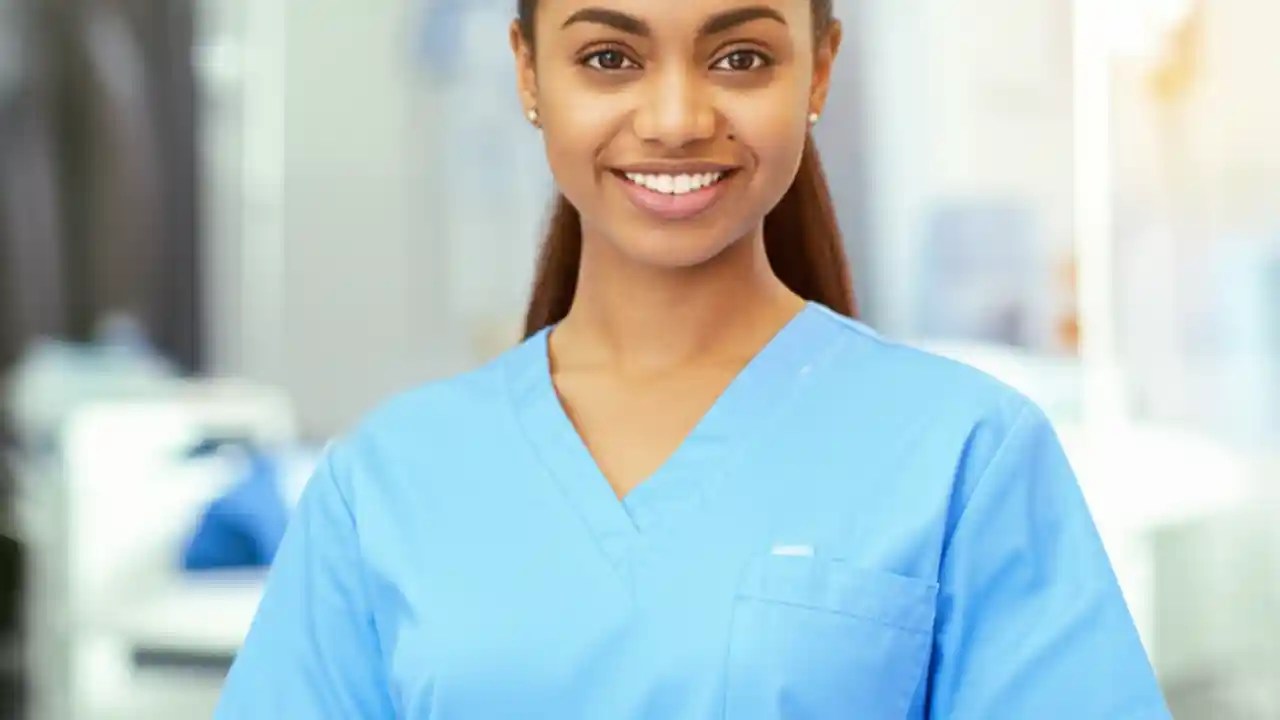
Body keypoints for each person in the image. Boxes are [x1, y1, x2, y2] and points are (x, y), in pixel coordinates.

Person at [215, 1, 1172, 717]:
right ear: (528, 73)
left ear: (819, 72)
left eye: (741, 57)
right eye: (608, 58)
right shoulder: (386, 483)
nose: (675, 118)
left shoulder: (964, 454)